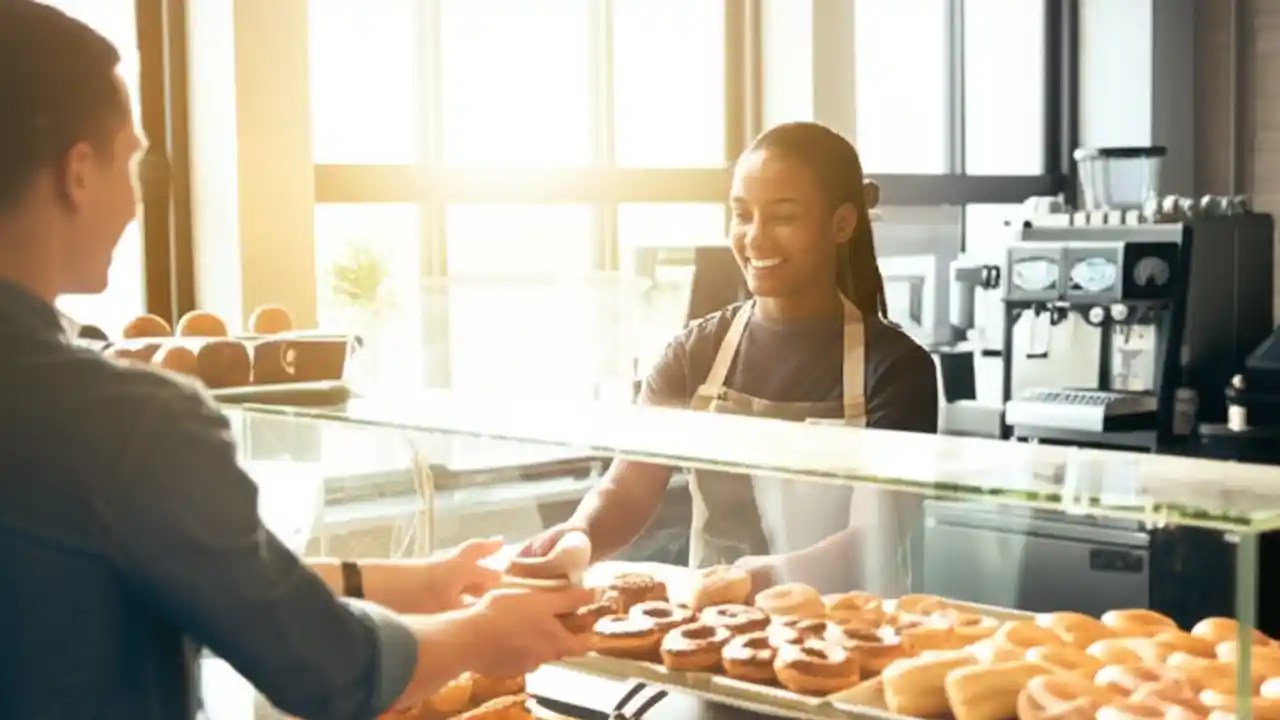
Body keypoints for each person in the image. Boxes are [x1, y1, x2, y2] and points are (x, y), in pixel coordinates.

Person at [0, 3, 589, 718]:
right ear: (79, 172)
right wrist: (482, 635)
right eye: (133, 160)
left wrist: (417, 583)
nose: (134, 201)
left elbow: (191, 575)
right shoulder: (124, 421)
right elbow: (326, 670)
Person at [523, 122, 939, 594]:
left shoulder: (896, 371)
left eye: (783, 217)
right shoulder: (693, 355)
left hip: (850, 635)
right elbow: (629, 488)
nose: (755, 238)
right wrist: (579, 537)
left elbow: (874, 538)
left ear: (841, 224)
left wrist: (758, 579)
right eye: (742, 215)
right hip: (714, 629)